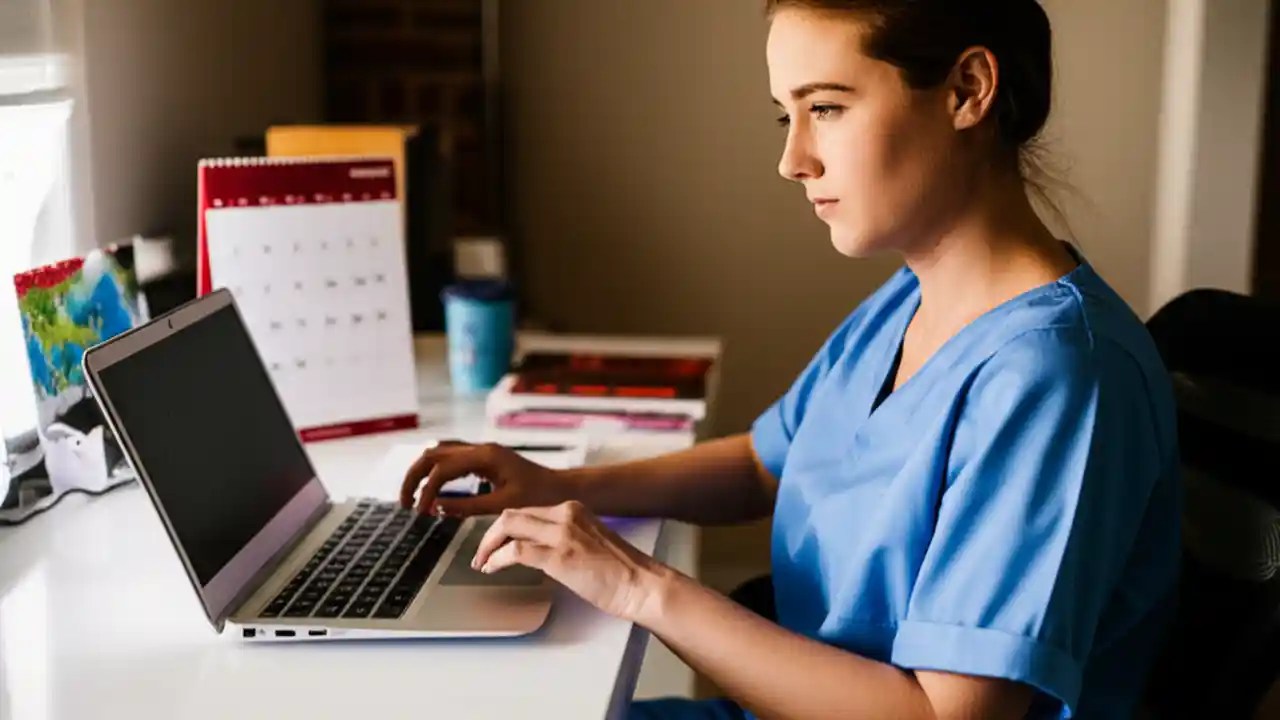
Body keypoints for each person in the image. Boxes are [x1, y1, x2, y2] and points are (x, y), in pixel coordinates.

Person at [400, 1, 1181, 718]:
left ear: (968, 89)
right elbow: (764, 465)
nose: (793, 159)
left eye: (827, 108)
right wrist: (562, 486)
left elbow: (942, 717)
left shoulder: (1056, 375)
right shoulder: (913, 296)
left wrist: (636, 584)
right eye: (787, 114)